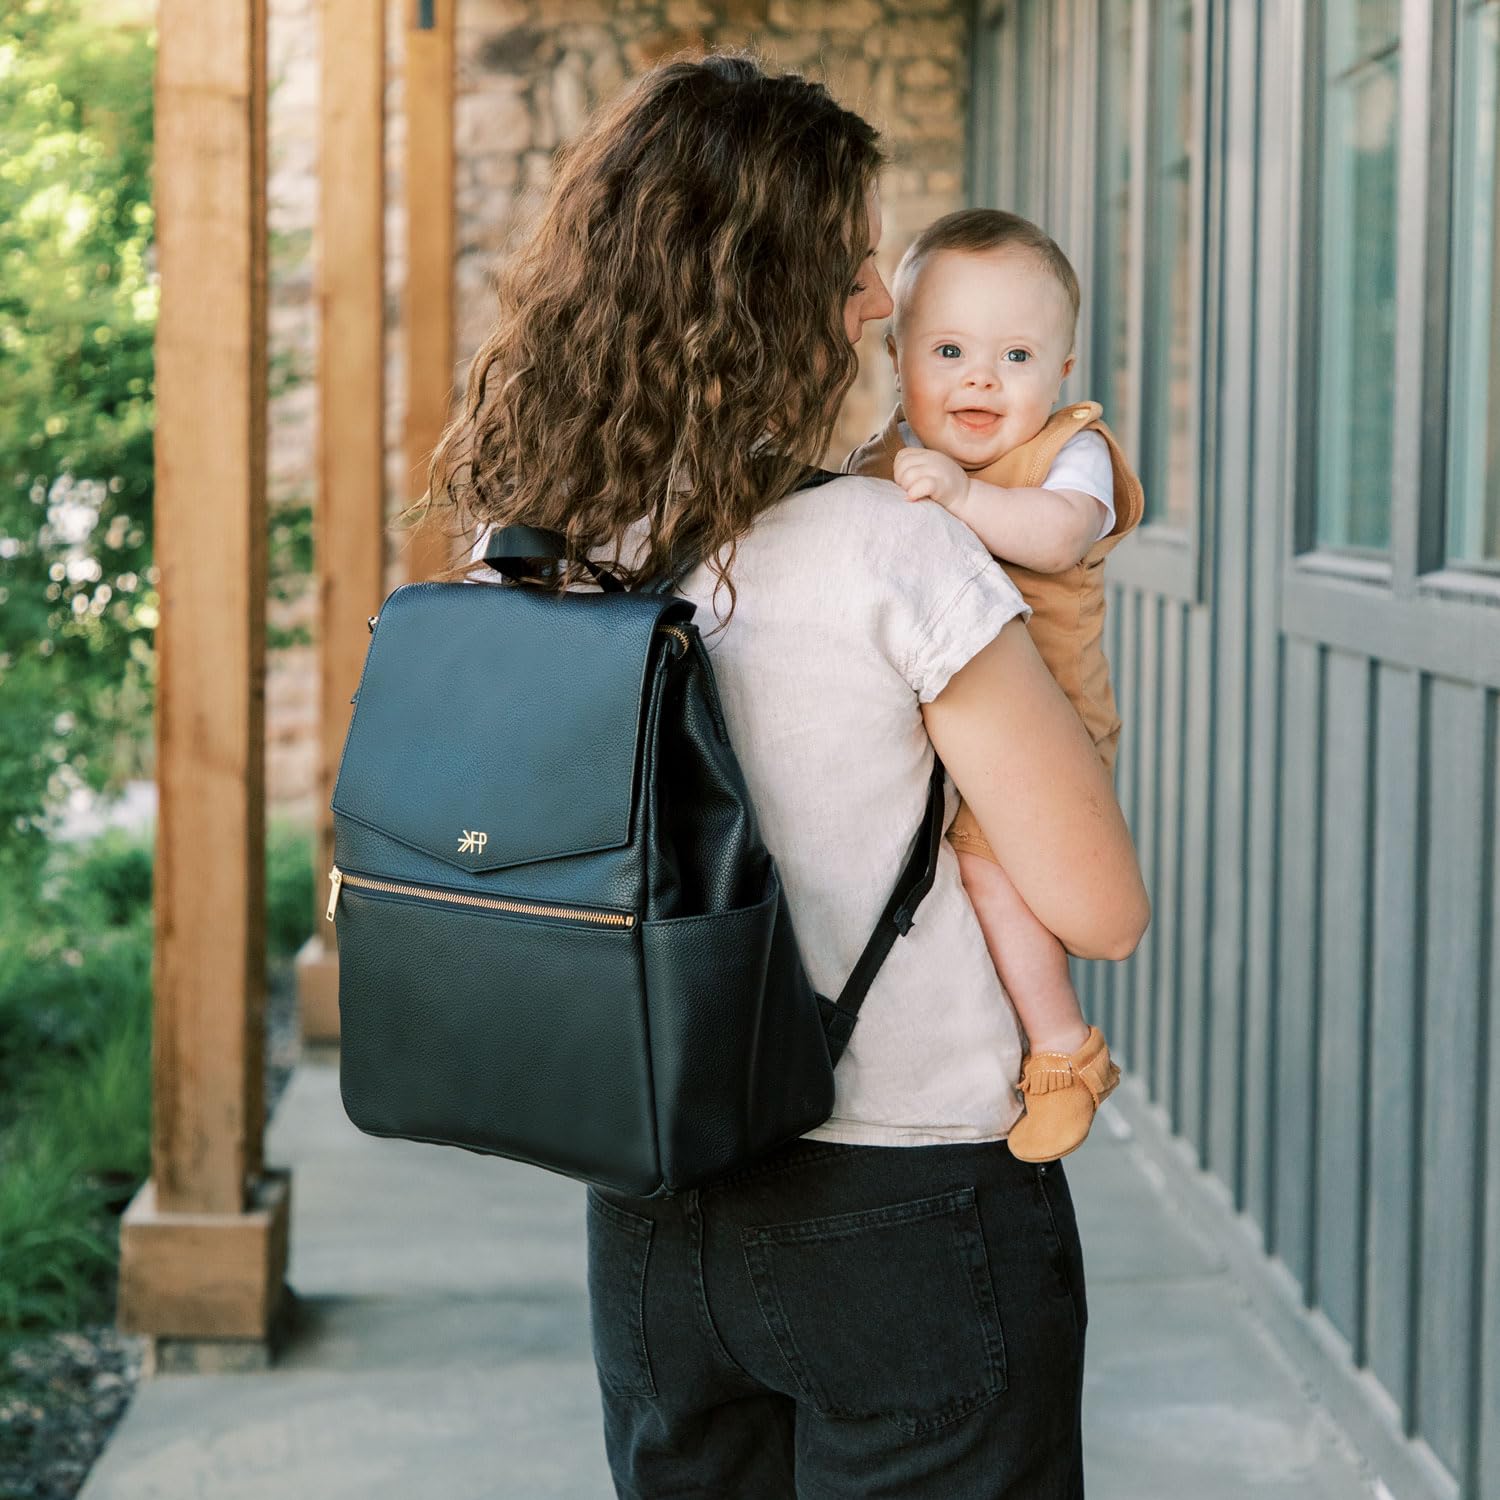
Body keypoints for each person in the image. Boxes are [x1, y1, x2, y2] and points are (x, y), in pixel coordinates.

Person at [432, 51, 1148, 1500]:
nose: (887, 300)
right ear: (769, 295)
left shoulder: (546, 553)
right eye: (853, 264)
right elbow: (1098, 907)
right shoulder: (903, 550)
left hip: (650, 1204)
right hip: (908, 1200)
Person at [844, 209, 1145, 1163]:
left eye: (1017, 355)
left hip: (1050, 723)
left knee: (988, 867)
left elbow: (1060, 535)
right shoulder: (881, 461)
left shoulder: (1071, 448)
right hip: (938, 731)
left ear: (1061, 372)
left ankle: (1063, 1050)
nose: (981, 377)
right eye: (949, 350)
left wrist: (968, 497)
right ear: (898, 358)